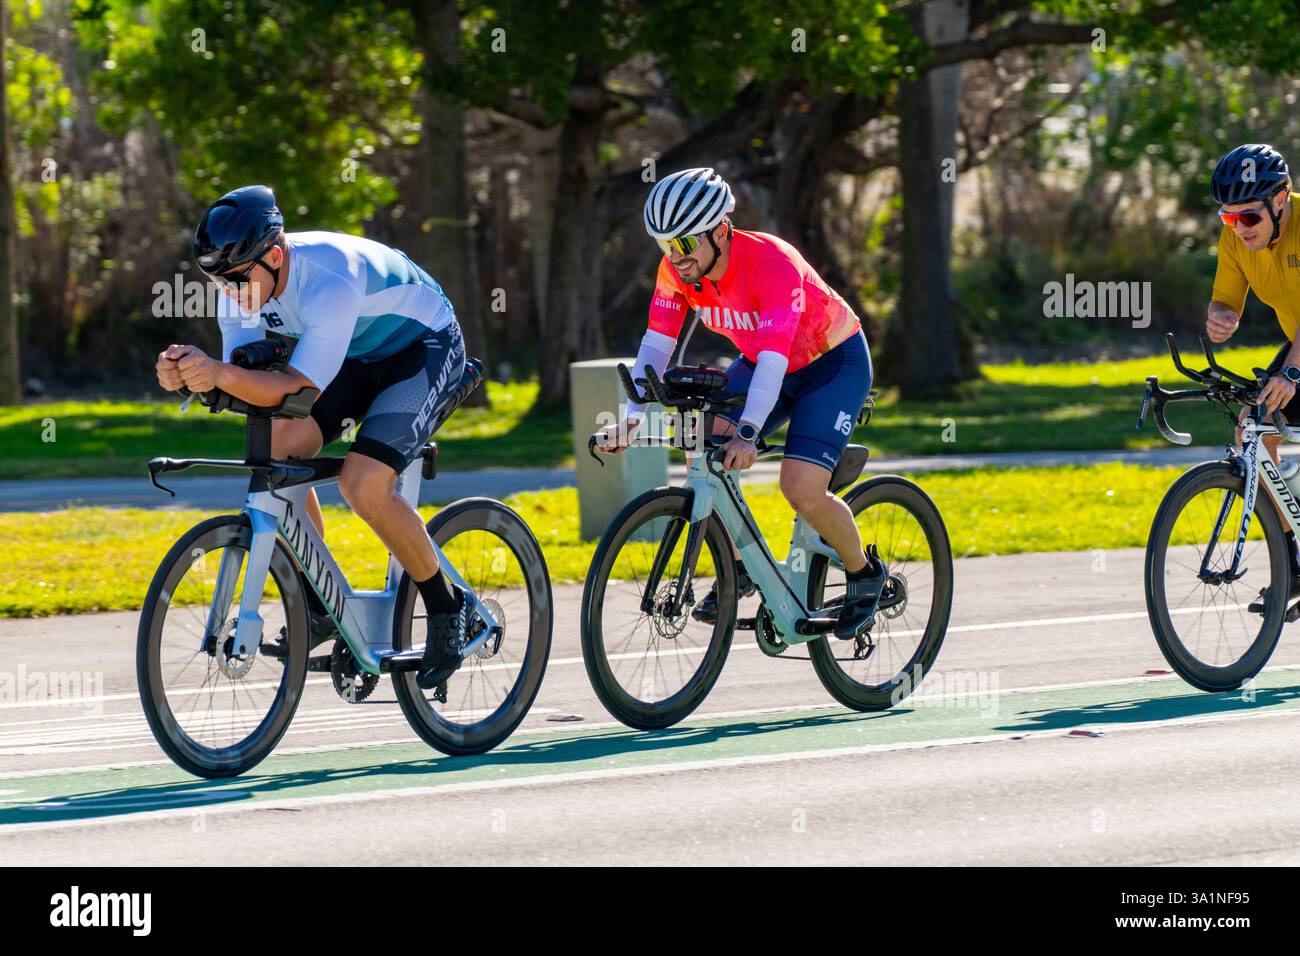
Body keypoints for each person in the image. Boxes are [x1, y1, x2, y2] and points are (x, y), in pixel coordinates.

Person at [156, 184, 470, 689]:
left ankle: (445, 606)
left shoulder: (329, 277)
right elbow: (245, 381)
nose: (229, 291)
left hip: (423, 350)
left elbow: (294, 387)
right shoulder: (241, 282)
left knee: (363, 484)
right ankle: (322, 601)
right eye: (216, 280)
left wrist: (217, 375)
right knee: (280, 447)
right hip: (359, 356)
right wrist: (192, 377)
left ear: (275, 255)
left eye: (236, 279)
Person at [594, 167, 883, 639]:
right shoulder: (677, 270)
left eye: (685, 244)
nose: (675, 258)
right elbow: (656, 346)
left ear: (720, 230)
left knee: (801, 488)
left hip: (830, 365)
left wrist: (749, 431)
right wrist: (631, 419)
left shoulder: (772, 263)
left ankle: (864, 573)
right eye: (665, 246)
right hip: (765, 361)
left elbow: (773, 362)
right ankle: (739, 566)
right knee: (702, 442)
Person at [1204, 144, 1300, 609]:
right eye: (1228, 218)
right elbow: (1226, 301)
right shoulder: (1236, 241)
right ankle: (1292, 563)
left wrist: (1292, 372)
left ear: (1281, 199)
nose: (1239, 229)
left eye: (1248, 218)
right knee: (1254, 430)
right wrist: (1221, 316)